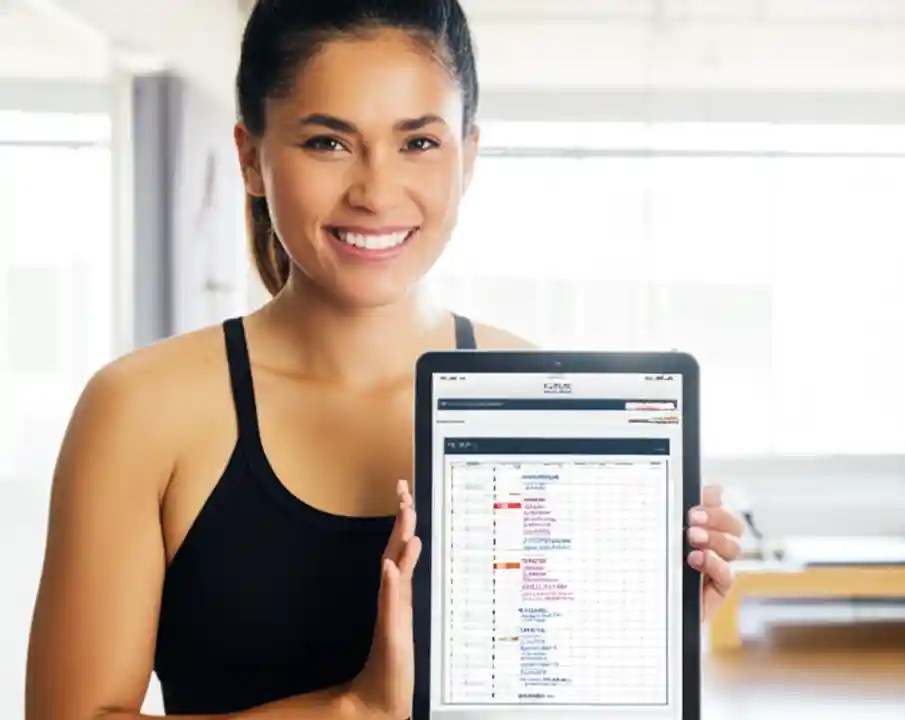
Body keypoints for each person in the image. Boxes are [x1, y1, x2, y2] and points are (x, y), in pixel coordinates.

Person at [24, 1, 744, 718]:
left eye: (419, 144)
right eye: (328, 143)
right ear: (250, 156)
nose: (374, 192)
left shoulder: (540, 391)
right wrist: (353, 710)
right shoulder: (142, 408)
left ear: (468, 157)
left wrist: (639, 635)